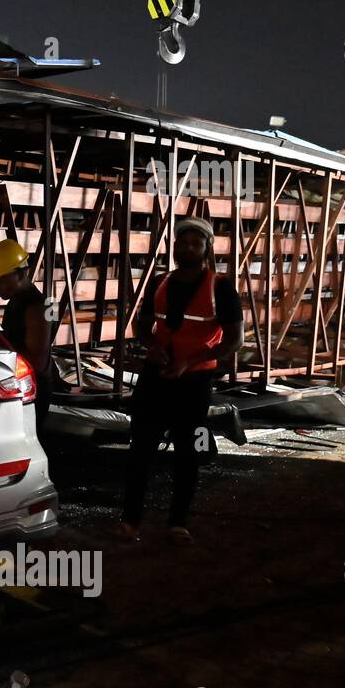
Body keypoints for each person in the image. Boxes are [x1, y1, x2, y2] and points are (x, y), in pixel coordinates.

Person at [116, 217, 243, 545]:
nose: (187, 248)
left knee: (188, 451)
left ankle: (178, 523)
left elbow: (234, 340)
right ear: (174, 247)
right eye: (182, 242)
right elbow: (143, 325)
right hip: (155, 377)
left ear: (207, 248)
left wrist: (191, 361)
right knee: (140, 448)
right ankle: (130, 522)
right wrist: (152, 345)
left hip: (193, 381)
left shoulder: (221, 287)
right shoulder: (159, 282)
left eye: (195, 243)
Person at [0, 238, 55, 423]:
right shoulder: (18, 300)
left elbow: (36, 360)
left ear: (21, 274)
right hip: (21, 384)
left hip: (32, 390)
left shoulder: (39, 307)